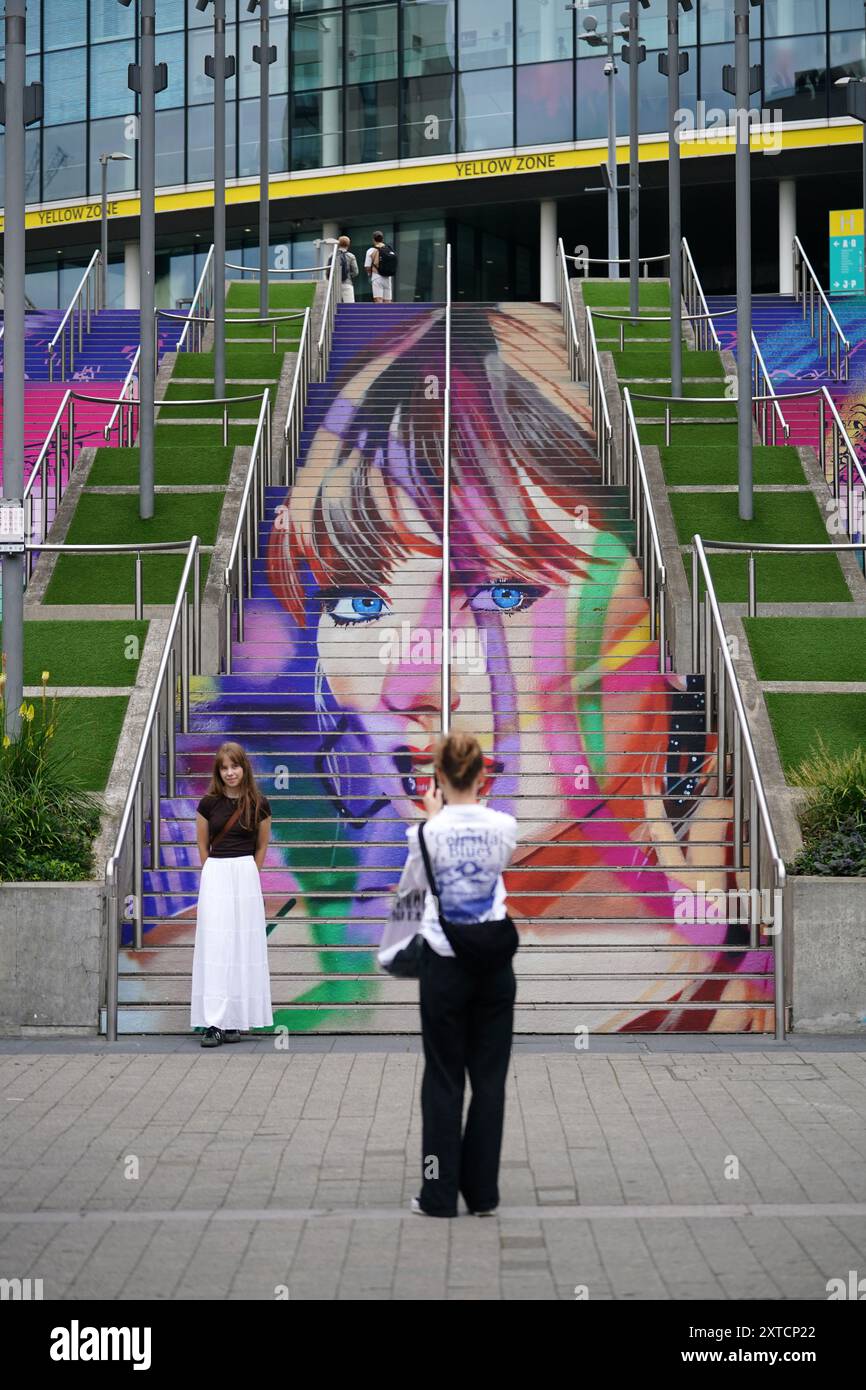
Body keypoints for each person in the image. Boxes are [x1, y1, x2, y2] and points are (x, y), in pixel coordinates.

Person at [395, 732, 518, 1218]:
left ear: (439, 777)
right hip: (493, 965)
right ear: (483, 776)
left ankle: (438, 1194)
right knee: (489, 1082)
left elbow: (413, 889)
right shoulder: (505, 826)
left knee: (442, 1081)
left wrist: (432, 821)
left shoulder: (424, 833)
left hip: (443, 965)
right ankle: (482, 1195)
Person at [191, 741, 274, 1047]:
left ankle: (234, 1021)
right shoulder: (208, 804)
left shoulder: (259, 804)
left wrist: (252, 872)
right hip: (217, 873)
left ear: (244, 768)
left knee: (242, 945)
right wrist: (211, 871)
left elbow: (262, 844)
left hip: (245, 875)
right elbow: (202, 843)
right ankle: (213, 1022)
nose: (230, 773)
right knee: (215, 945)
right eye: (224, 768)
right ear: (218, 771)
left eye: (235, 766)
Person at [364, 231, 396, 303]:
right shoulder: (389, 249)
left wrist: (369, 275)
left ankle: (380, 314)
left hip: (377, 276)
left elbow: (367, 266)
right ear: (382, 239)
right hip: (388, 277)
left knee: (378, 299)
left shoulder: (371, 250)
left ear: (373, 239)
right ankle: (388, 314)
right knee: (388, 300)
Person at [329, 234, 359, 304]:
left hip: (335, 284)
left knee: (335, 307)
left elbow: (328, 271)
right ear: (348, 244)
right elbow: (356, 272)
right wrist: (347, 275)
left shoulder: (332, 255)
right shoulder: (351, 256)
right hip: (347, 283)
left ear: (338, 244)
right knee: (350, 306)